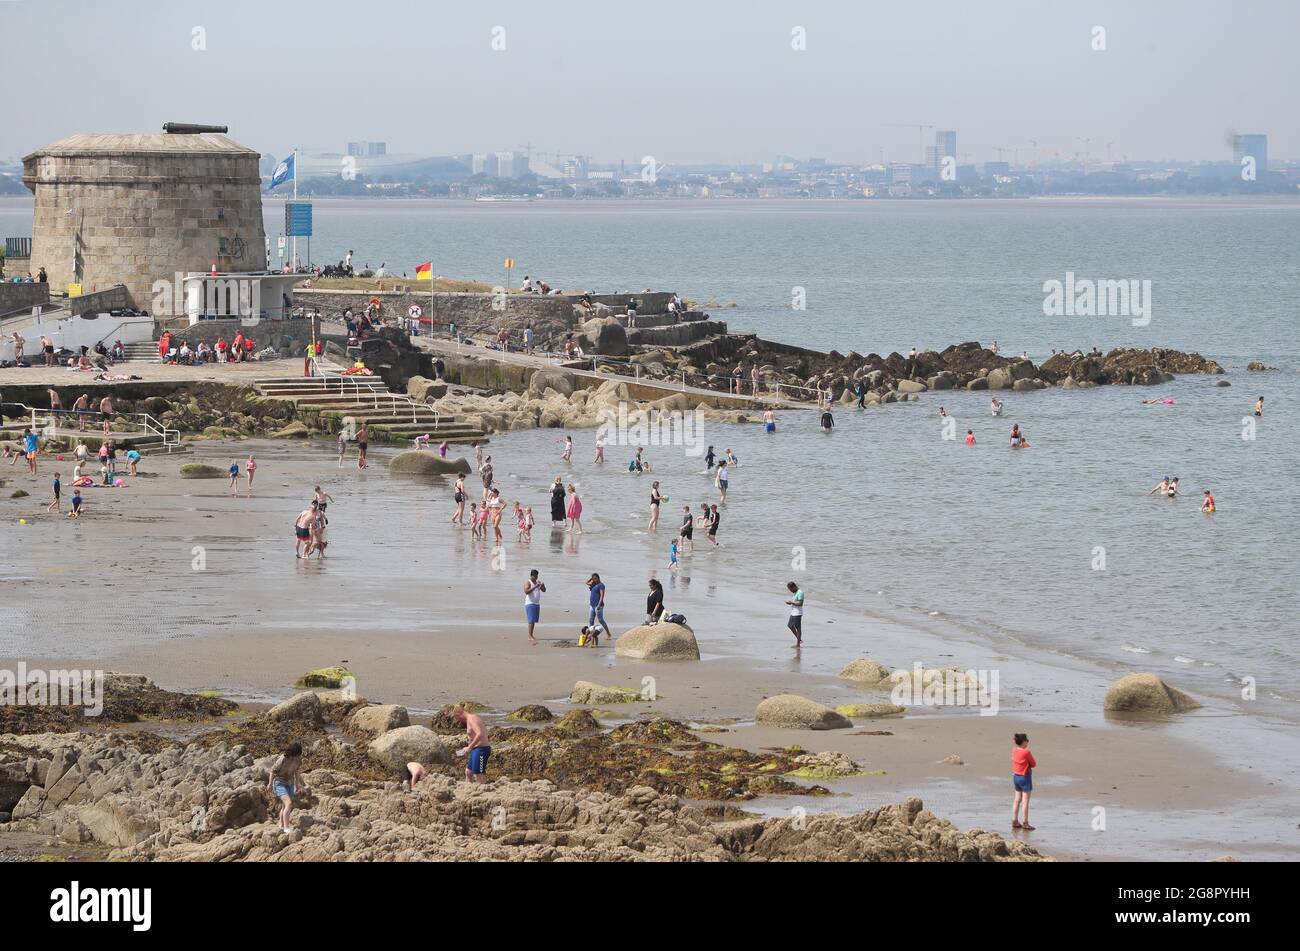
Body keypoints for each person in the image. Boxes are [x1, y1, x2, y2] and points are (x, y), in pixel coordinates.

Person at [268, 742, 306, 833]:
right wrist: (269, 784)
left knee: (285, 805)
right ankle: (286, 827)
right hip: (279, 783)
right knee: (288, 803)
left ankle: (280, 824)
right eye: (297, 755)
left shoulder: (298, 760)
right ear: (292, 754)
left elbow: (297, 771)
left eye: (299, 755)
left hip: (289, 783)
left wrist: (297, 784)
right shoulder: (282, 759)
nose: (298, 757)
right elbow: (272, 771)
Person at [454, 707, 491, 784]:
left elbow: (479, 734)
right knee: (468, 772)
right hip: (476, 749)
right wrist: (469, 747)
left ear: (458, 715)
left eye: (457, 719)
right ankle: (467, 789)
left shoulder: (472, 719)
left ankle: (482, 790)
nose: (459, 721)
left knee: (478, 773)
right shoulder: (470, 719)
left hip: (481, 750)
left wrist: (469, 747)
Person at [1011, 733, 1036, 831]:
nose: (1028, 741)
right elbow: (1033, 764)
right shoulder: (1026, 752)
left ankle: (1014, 820)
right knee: (1025, 801)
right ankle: (1025, 822)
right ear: (1024, 742)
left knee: (1017, 800)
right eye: (1027, 740)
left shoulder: (1014, 750)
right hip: (1025, 777)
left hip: (1016, 777)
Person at [586, 573, 612, 639]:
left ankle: (608, 633)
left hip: (598, 606)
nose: (594, 580)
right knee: (591, 620)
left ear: (598, 578)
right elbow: (586, 582)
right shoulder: (593, 584)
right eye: (593, 578)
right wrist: (591, 579)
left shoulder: (601, 585)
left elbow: (602, 596)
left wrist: (599, 604)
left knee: (601, 620)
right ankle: (591, 634)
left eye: (595, 578)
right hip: (592, 605)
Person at [524, 569, 546, 643]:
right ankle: (529, 636)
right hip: (530, 603)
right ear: (532, 575)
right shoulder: (528, 582)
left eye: (537, 576)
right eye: (536, 576)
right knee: (531, 620)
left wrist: (542, 586)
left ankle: (531, 635)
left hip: (536, 603)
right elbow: (526, 591)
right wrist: (535, 586)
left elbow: (544, 590)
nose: (537, 577)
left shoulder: (537, 582)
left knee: (533, 620)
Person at [785, 581, 804, 648]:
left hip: (798, 613)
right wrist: (791, 603)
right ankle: (799, 640)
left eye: (790, 589)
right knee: (790, 625)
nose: (790, 591)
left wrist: (791, 602)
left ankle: (798, 644)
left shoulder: (800, 592)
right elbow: (796, 602)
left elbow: (800, 603)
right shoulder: (795, 593)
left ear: (793, 587)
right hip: (793, 612)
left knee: (798, 628)